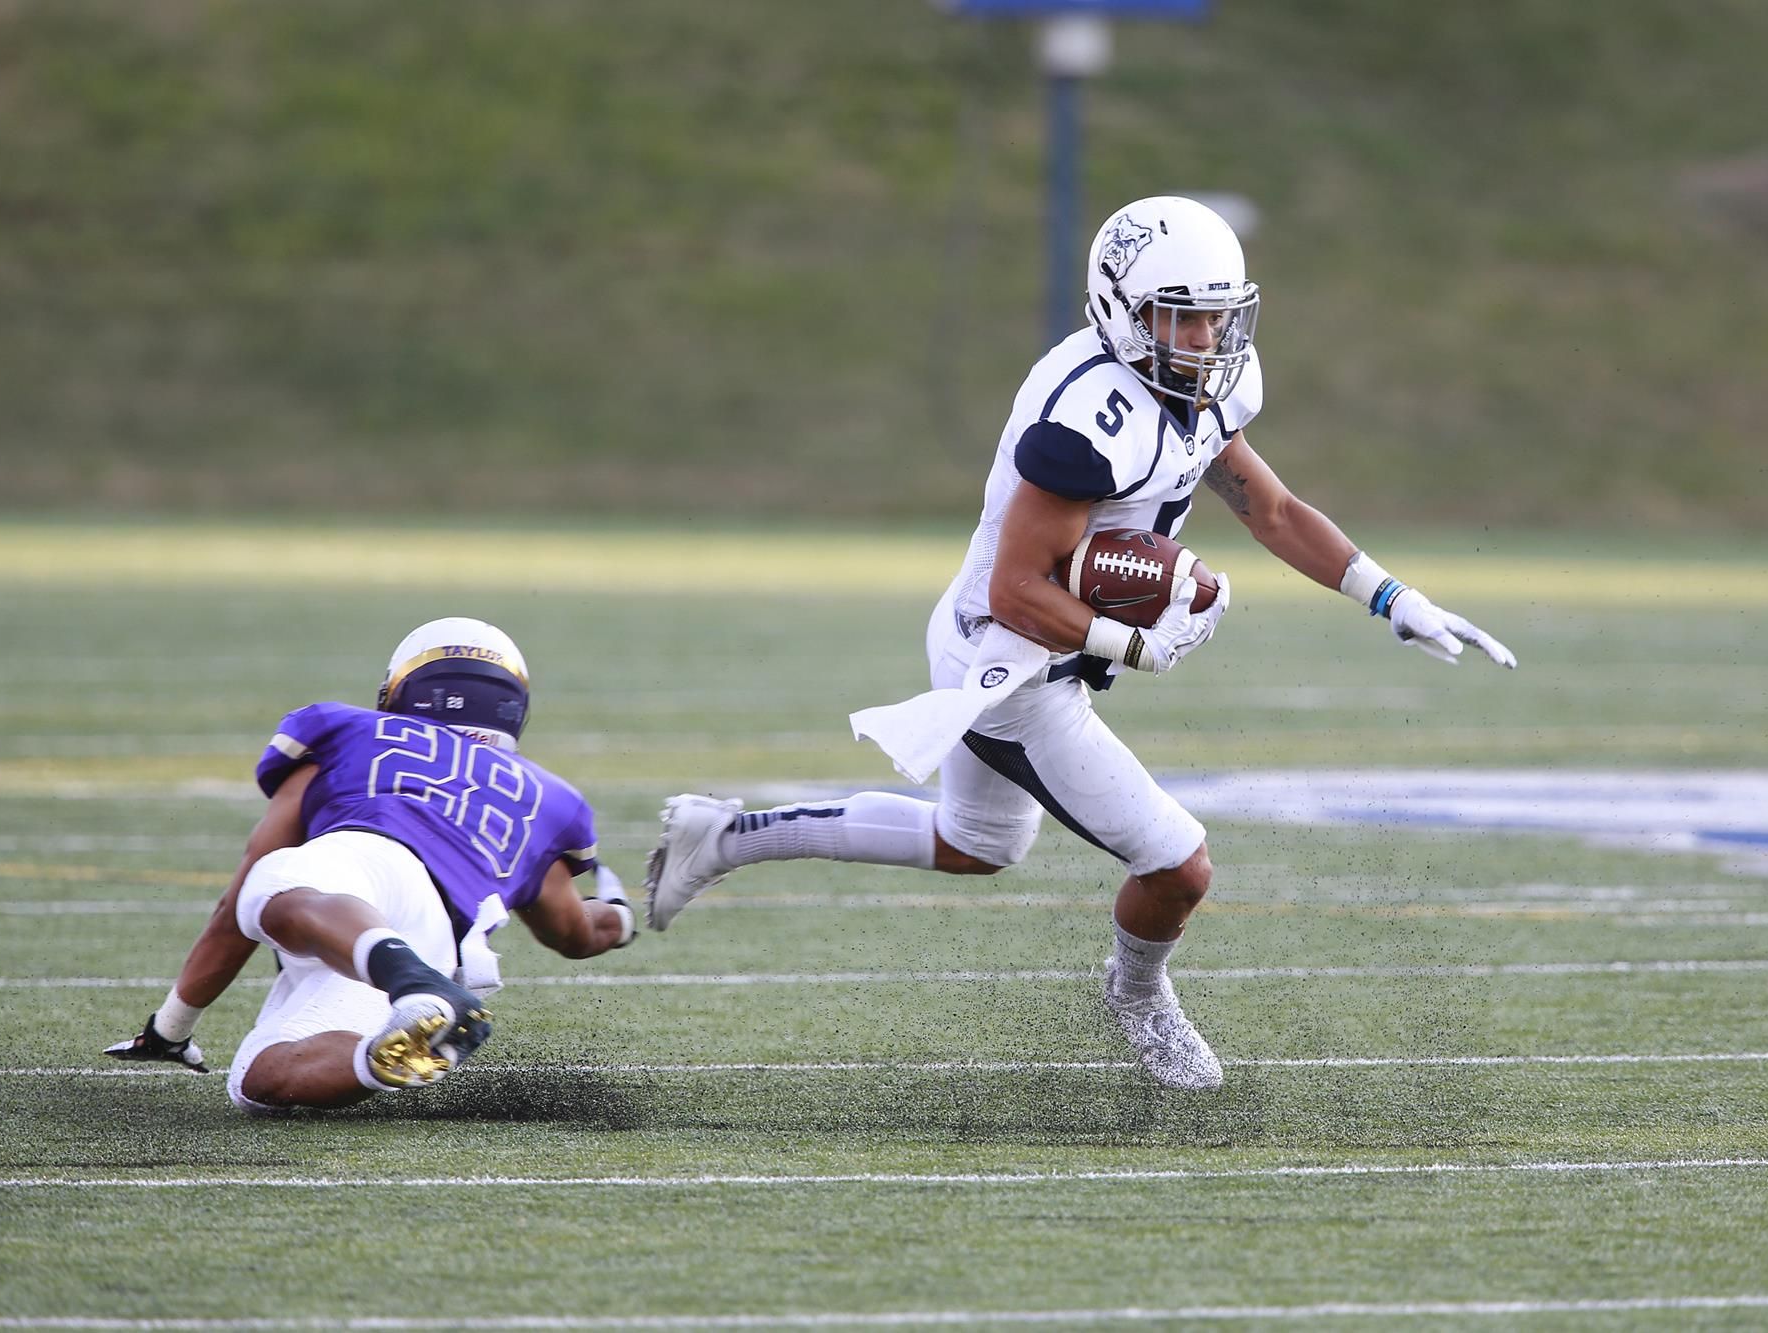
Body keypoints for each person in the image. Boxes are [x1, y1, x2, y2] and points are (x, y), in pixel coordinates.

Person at [642, 195, 1515, 1091]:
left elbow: (1273, 507)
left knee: (977, 842)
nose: (1206, 335)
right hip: (1012, 657)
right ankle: (1138, 995)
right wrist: (1139, 645)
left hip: (1038, 635)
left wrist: (1389, 596)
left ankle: (725, 837)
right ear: (1121, 307)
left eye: (1218, 311)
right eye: (1181, 313)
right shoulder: (1088, 415)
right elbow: (1013, 589)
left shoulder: (1203, 383)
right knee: (1179, 865)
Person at [104, 617, 636, 1113]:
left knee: (272, 880)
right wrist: (622, 914)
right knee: (257, 1079)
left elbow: (238, 904)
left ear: (402, 690)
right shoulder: (543, 795)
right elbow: (577, 933)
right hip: (434, 940)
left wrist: (173, 1027)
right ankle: (386, 1056)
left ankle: (415, 988)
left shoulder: (354, 733)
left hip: (367, 874)